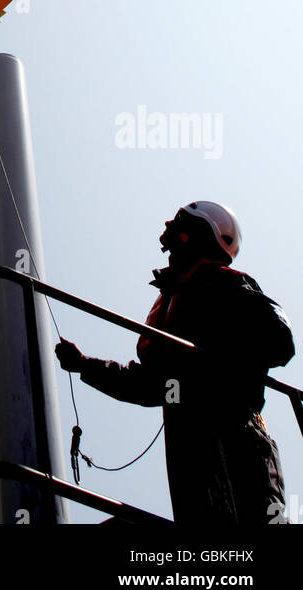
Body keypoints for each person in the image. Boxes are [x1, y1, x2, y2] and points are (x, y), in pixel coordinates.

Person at [55, 200, 295, 524]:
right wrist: (85, 365)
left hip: (235, 435)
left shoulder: (225, 285)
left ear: (200, 233)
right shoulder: (170, 304)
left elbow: (279, 339)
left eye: (181, 223)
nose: (169, 229)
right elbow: (148, 384)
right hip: (189, 450)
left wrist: (210, 363)